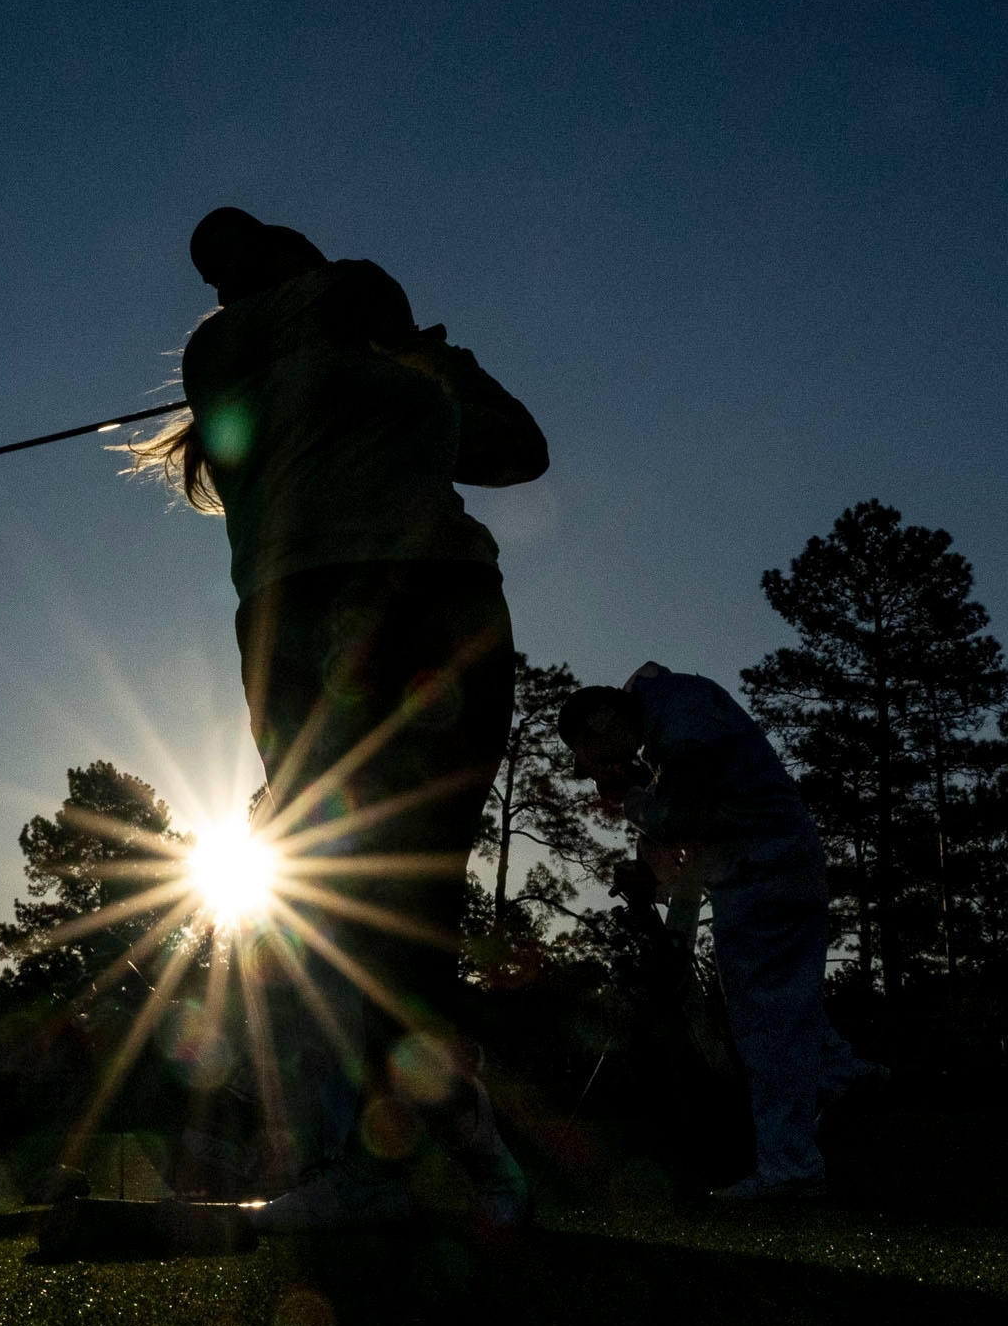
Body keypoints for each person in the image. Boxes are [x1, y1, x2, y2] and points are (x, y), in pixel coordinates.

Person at [133, 208, 551, 1230]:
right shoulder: (262, 334)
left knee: (388, 903)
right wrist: (417, 349)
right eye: (244, 256)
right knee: (372, 904)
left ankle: (422, 1152)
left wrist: (421, 358)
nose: (269, 258)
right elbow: (499, 431)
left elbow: (517, 451)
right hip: (349, 613)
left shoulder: (322, 356)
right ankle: (418, 1154)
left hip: (402, 609)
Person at [558, 664, 884, 1200]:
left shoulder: (679, 731)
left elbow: (684, 816)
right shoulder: (673, 707)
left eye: (599, 753)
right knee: (787, 1001)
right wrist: (641, 787)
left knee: (764, 1020)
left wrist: (633, 801)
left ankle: (790, 1166)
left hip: (763, 873)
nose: (610, 765)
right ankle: (842, 1072)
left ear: (602, 719)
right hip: (778, 864)